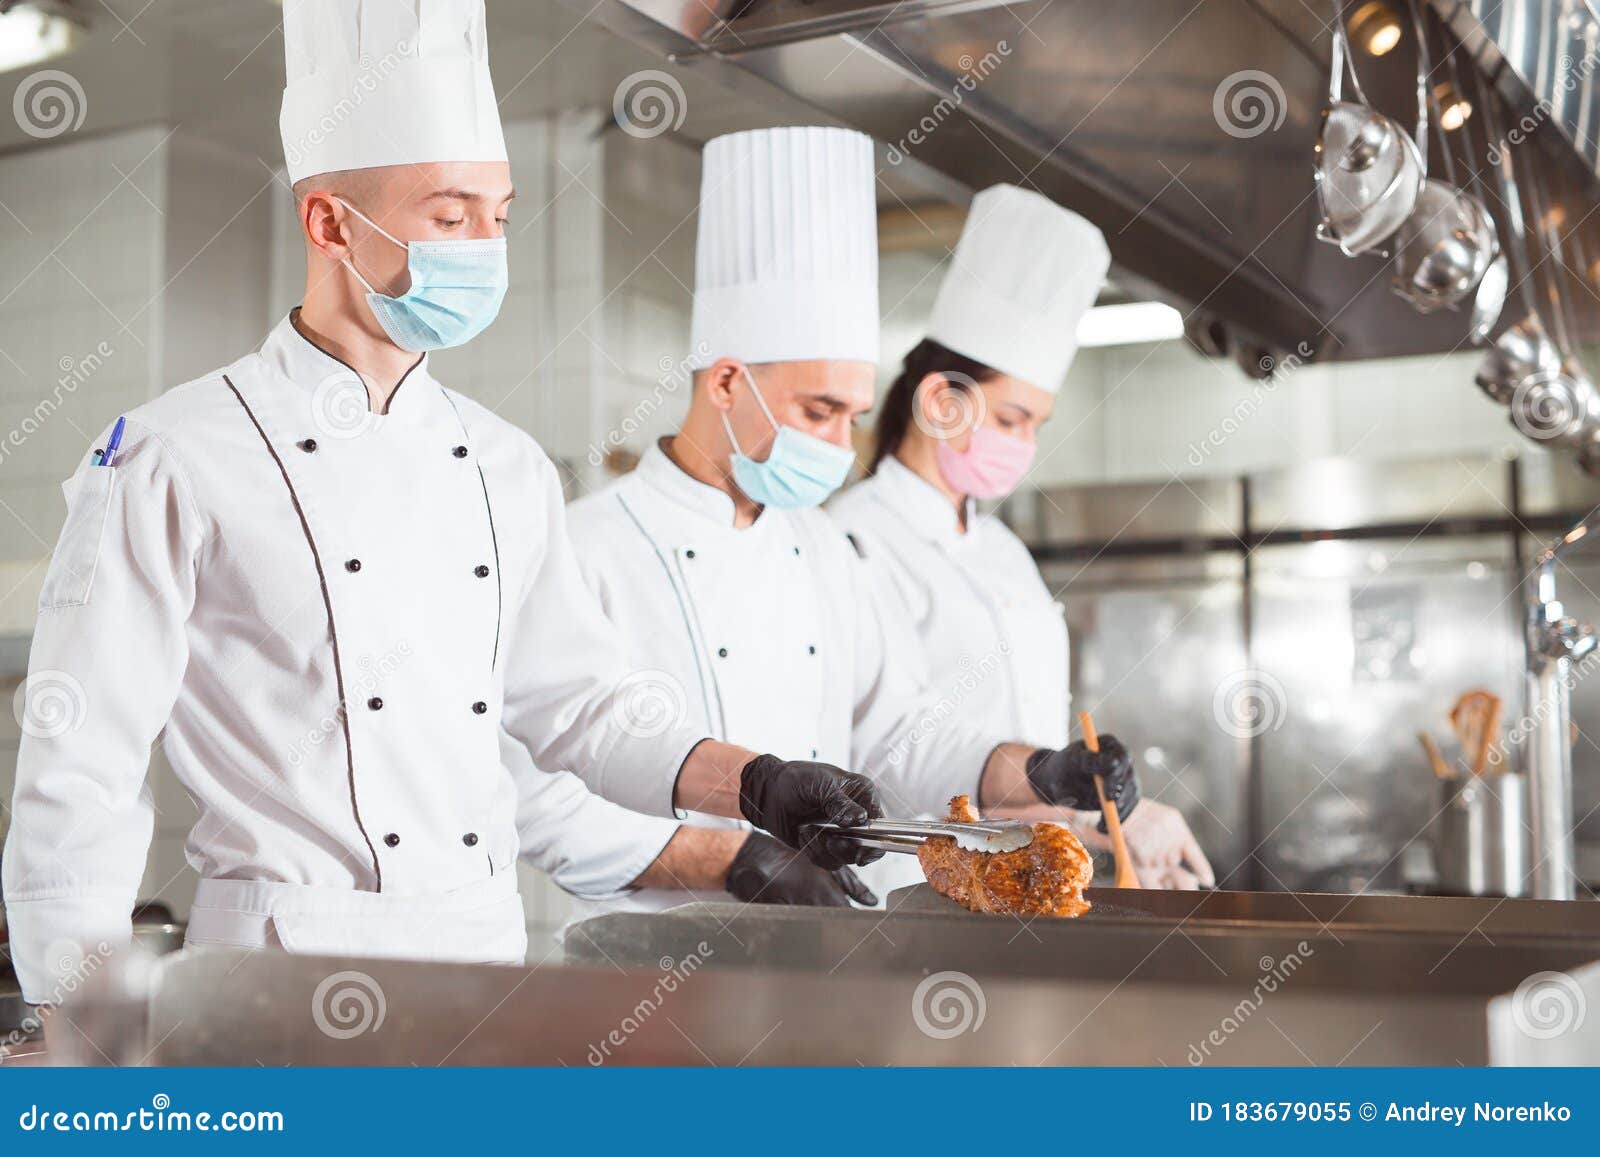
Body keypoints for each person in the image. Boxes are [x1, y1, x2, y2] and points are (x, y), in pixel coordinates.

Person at [0, 0, 879, 1006]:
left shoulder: (506, 466)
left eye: (498, 216)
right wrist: (81, 1023)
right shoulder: (172, 453)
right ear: (329, 221)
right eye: (450, 216)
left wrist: (755, 780)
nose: (484, 246)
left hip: (481, 958)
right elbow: (82, 763)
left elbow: (580, 707)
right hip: (279, 971)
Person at [534, 128, 1147, 926]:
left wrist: (1038, 771)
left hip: (818, 954)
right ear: (726, 380)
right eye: (817, 411)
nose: (836, 444)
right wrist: (733, 858)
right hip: (647, 968)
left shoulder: (819, 547)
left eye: (851, 416)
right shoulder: (587, 547)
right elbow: (531, 793)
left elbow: (899, 734)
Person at [829, 184, 1215, 890]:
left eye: (1037, 423)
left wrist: (1111, 826)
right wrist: (1046, 772)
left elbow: (1019, 770)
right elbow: (896, 755)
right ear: (941, 402)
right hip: (909, 903)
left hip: (1023, 892)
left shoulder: (1003, 552)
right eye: (1011, 419)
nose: (1025, 444)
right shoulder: (852, 542)